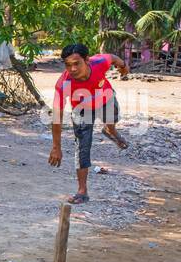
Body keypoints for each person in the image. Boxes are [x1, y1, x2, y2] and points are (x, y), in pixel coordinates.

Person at [49, 43, 130, 204]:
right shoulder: (63, 83)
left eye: (76, 63)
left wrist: (124, 67)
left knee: (111, 121)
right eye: (68, 65)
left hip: (106, 99)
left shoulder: (99, 62)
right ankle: (82, 191)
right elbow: (56, 116)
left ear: (87, 60)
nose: (72, 69)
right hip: (82, 110)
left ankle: (110, 130)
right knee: (82, 146)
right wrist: (56, 147)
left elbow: (114, 58)